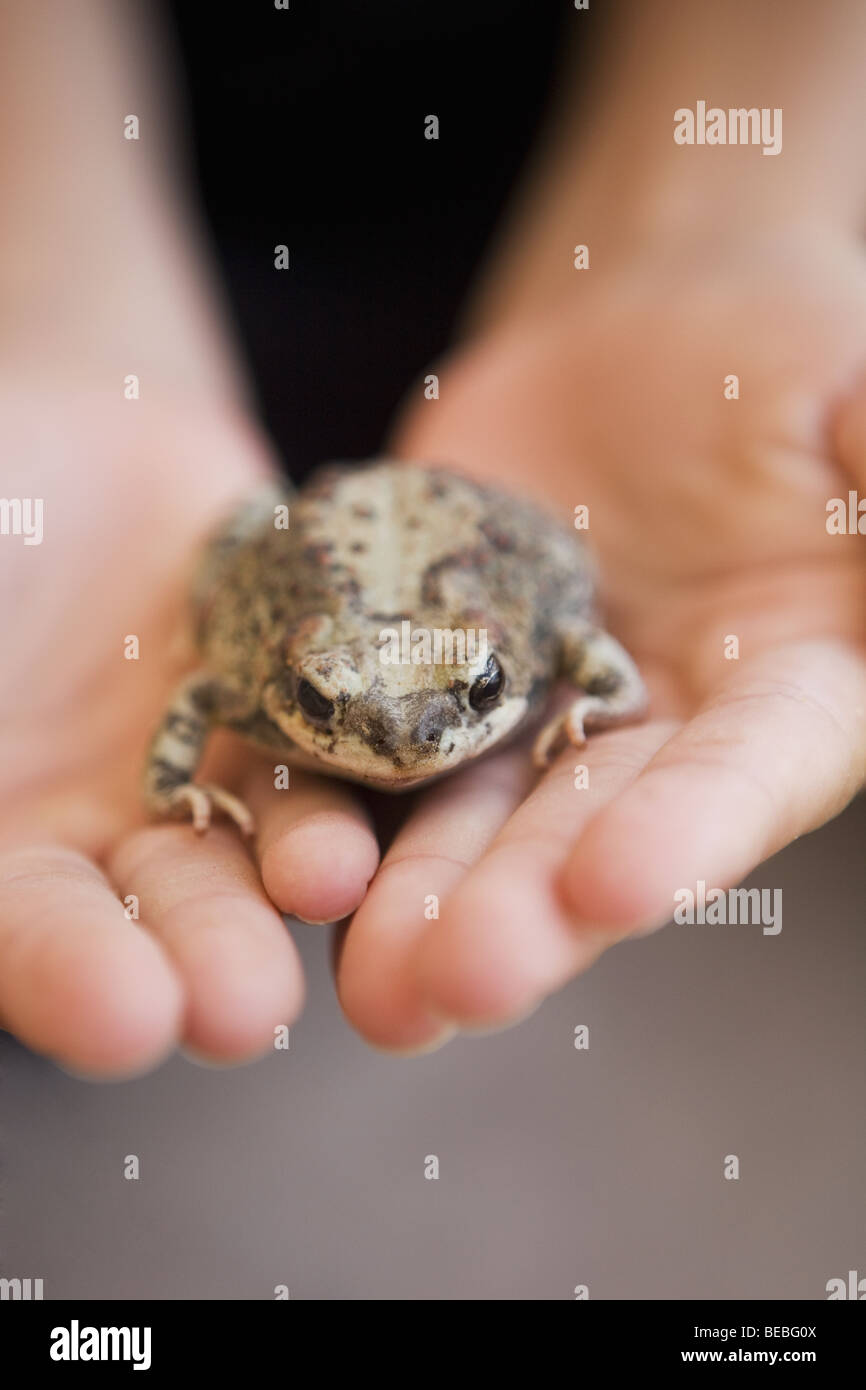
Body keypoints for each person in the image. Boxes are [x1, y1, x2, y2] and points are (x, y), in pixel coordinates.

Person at [0, 0, 864, 1076]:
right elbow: (198, 694)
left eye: (456, 703)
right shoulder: (256, 680)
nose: (404, 744)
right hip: (223, 247)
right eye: (331, 710)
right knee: (84, 952)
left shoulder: (507, 645)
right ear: (294, 686)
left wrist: (715, 235)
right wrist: (41, 310)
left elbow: (587, 649)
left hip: (488, 257)